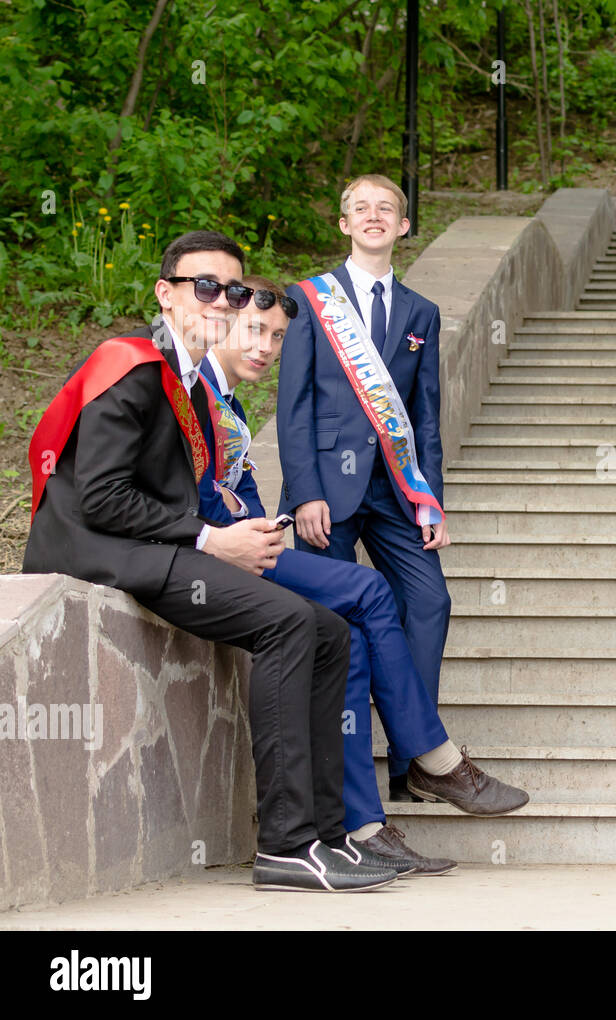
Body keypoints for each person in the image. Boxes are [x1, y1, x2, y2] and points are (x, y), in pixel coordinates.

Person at [23, 230, 397, 893]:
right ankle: (283, 846)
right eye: (204, 286)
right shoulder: (132, 364)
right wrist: (208, 539)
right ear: (166, 294)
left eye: (230, 289)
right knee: (288, 623)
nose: (220, 300)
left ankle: (326, 836)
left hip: (154, 547)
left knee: (330, 629)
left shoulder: (192, 385)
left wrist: (232, 533)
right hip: (101, 553)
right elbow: (101, 497)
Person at [199, 275, 528, 873]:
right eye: (258, 332)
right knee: (361, 606)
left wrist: (255, 523)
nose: (268, 347)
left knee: (372, 624)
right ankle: (427, 765)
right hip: (225, 550)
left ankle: (373, 819)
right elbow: (198, 487)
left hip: (311, 521)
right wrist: (294, 499)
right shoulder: (191, 390)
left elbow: (422, 414)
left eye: (274, 335)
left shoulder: (226, 399)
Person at [276, 173, 507, 807]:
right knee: (338, 624)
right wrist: (303, 493)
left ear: (404, 226)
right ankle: (346, 785)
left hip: (394, 491)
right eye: (360, 208)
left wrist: (430, 500)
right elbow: (292, 405)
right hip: (326, 492)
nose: (374, 216)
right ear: (343, 223)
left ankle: (413, 760)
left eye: (387, 208)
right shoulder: (309, 300)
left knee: (429, 602)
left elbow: (424, 417)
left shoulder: (421, 314)